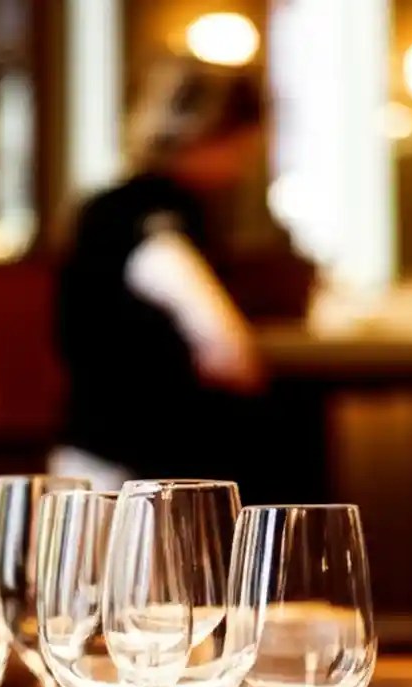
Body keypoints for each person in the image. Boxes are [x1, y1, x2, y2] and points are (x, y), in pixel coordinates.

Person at [52, 56, 282, 488]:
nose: (245, 164)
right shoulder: (151, 212)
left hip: (93, 451)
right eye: (245, 147)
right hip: (127, 469)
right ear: (212, 135)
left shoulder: (107, 208)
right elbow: (224, 343)